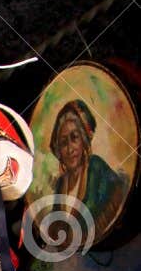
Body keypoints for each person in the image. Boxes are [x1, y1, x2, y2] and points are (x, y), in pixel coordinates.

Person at [42, 98, 127, 246]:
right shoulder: (62, 183)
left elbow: (117, 198)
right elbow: (55, 229)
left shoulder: (97, 168)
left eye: (74, 138)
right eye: (63, 143)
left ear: (83, 140)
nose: (70, 149)